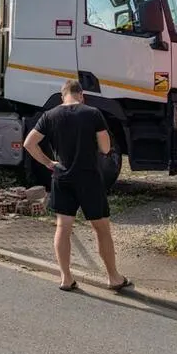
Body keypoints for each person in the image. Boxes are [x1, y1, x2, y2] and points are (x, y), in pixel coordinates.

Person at [23, 80, 133, 293]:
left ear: (62, 95)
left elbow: (29, 143)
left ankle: (66, 278)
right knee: (101, 228)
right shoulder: (92, 113)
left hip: (62, 177)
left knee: (63, 228)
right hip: (89, 178)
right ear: (81, 95)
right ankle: (113, 278)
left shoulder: (50, 115)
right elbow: (105, 147)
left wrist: (48, 163)